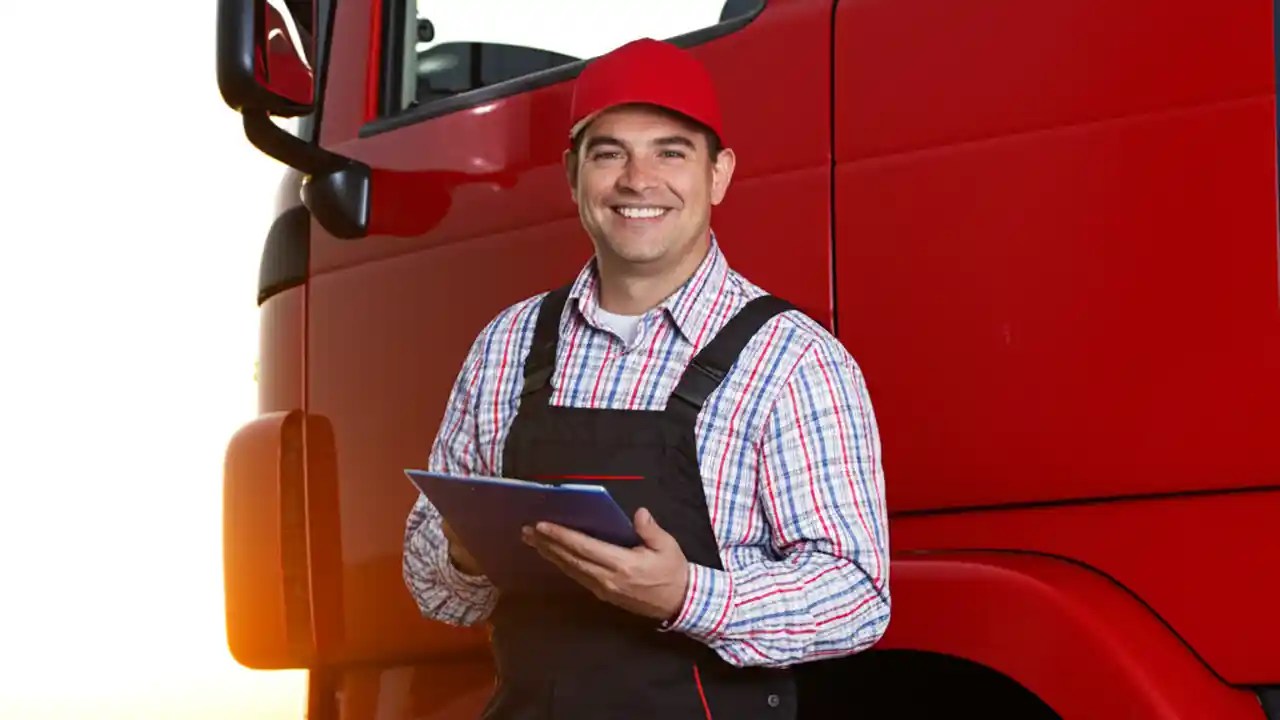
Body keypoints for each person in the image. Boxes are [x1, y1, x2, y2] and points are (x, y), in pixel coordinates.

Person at [403, 37, 890, 719]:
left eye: (670, 151)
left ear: (718, 174)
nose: (638, 180)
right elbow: (441, 595)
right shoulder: (507, 346)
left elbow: (857, 598)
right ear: (573, 174)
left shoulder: (791, 359)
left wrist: (688, 596)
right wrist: (464, 545)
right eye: (610, 154)